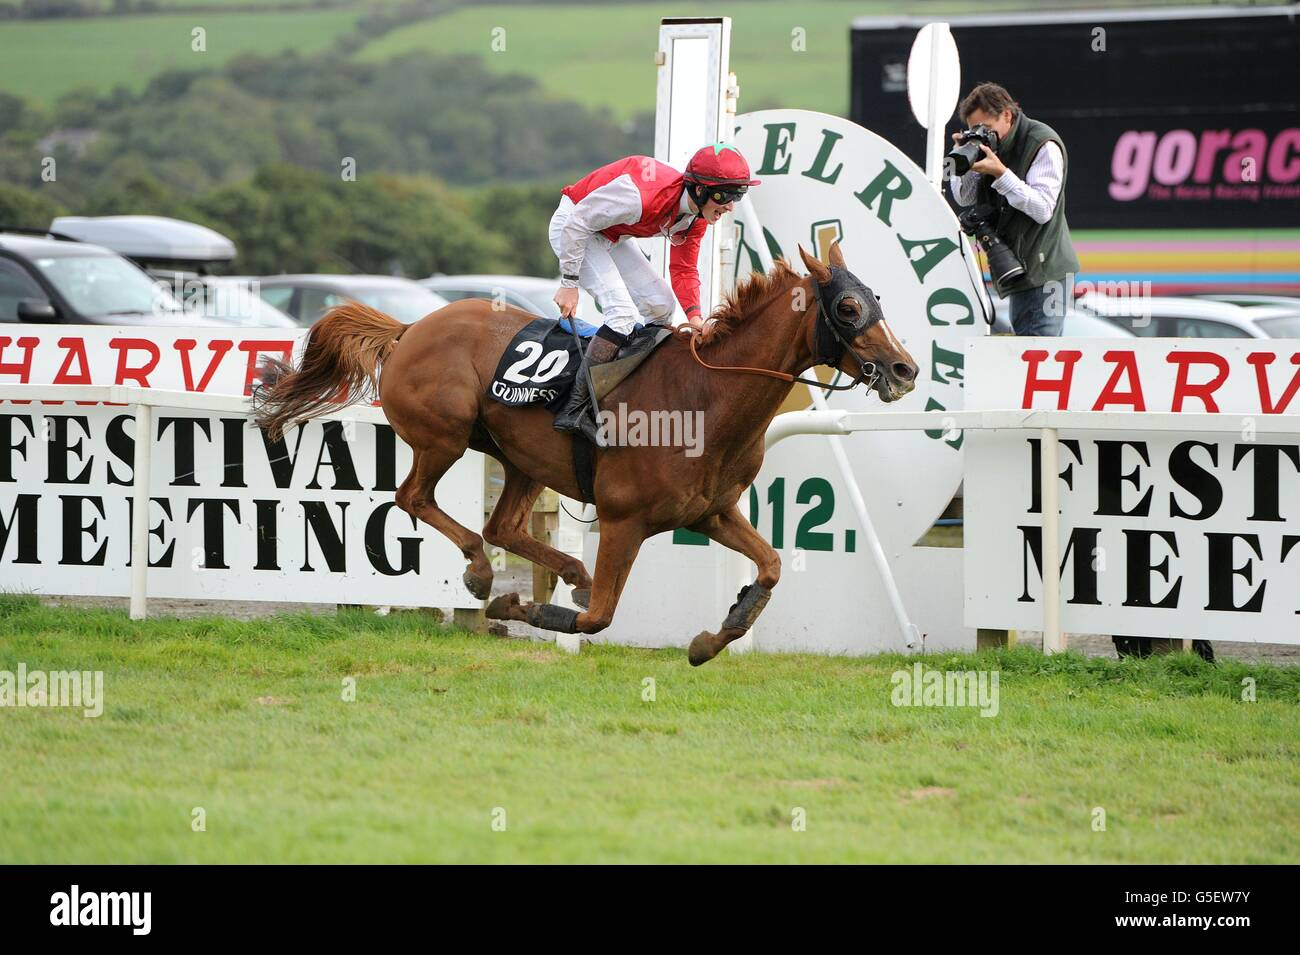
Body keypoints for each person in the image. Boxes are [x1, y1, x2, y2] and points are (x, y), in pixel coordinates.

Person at [548, 143, 760, 444]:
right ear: (700, 190)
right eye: (726, 196)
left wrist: (695, 318)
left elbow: (684, 269)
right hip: (574, 227)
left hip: (610, 233)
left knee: (661, 307)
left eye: (738, 196)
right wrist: (569, 282)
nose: (730, 207)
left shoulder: (696, 218)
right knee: (622, 314)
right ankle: (574, 409)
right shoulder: (641, 196)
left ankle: (632, 386)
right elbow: (577, 223)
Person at [949, 82, 1081, 336]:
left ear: (1007, 115)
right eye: (974, 129)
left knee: (1037, 351)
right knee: (1028, 347)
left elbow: (1043, 209)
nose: (980, 134)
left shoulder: (1041, 143)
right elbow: (964, 198)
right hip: (1021, 270)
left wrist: (1000, 173)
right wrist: (963, 157)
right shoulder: (989, 147)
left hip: (1046, 272)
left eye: (985, 128)